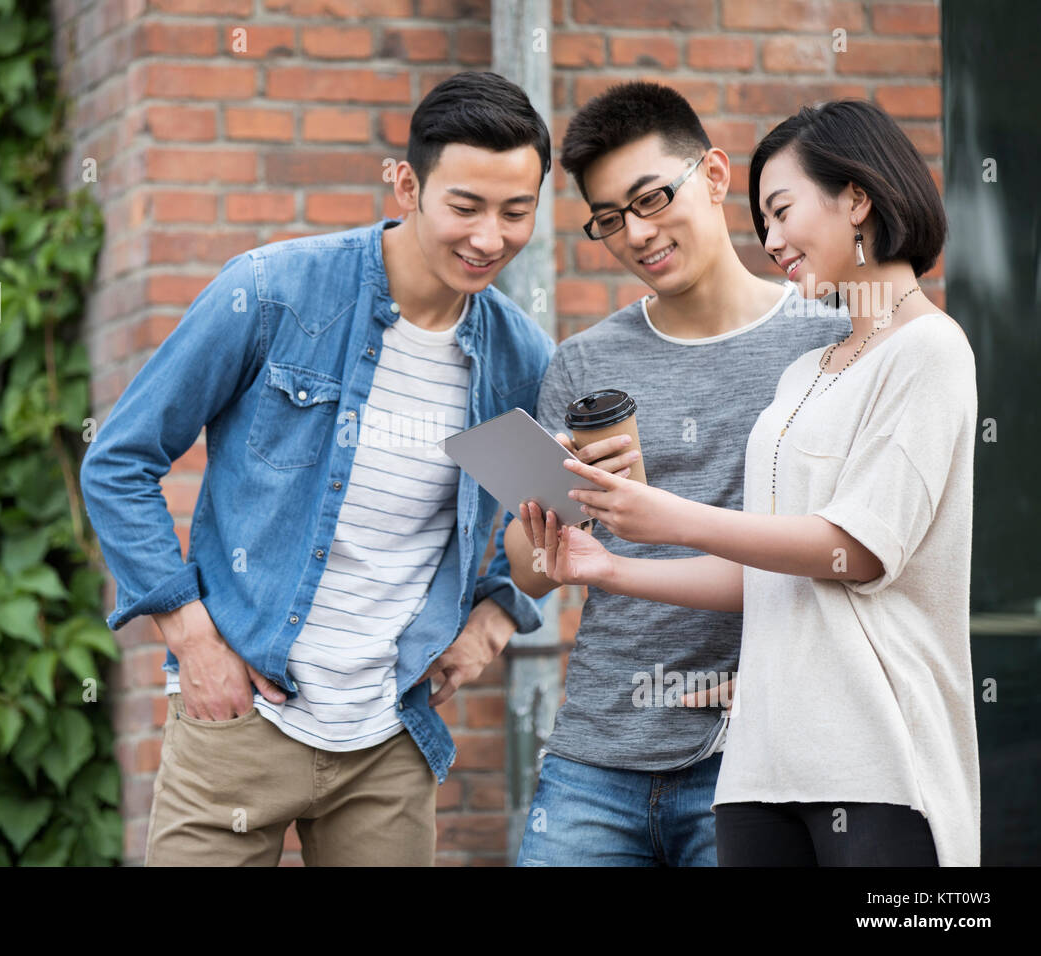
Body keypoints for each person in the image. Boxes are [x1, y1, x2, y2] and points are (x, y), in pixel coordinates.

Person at [80, 71, 557, 866]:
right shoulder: (274, 293)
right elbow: (119, 459)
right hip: (241, 717)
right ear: (407, 184)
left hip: (387, 745)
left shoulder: (515, 359)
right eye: (465, 207)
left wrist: (496, 620)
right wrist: (191, 639)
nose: (489, 239)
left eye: (518, 212)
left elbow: (547, 524)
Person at [532, 98, 979, 867]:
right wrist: (606, 566)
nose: (771, 241)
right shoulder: (809, 370)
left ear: (858, 198)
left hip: (874, 753)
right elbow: (770, 572)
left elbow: (859, 551)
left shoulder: (928, 350)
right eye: (762, 222)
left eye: (780, 213)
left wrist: (666, 517)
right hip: (760, 768)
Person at [504, 81, 851, 867]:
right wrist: (576, 502)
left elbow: (848, 555)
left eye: (653, 197)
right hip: (597, 753)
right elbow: (528, 571)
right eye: (610, 219)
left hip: (755, 755)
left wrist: (773, 676)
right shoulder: (583, 361)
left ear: (717, 175)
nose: (637, 232)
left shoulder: (829, 341)